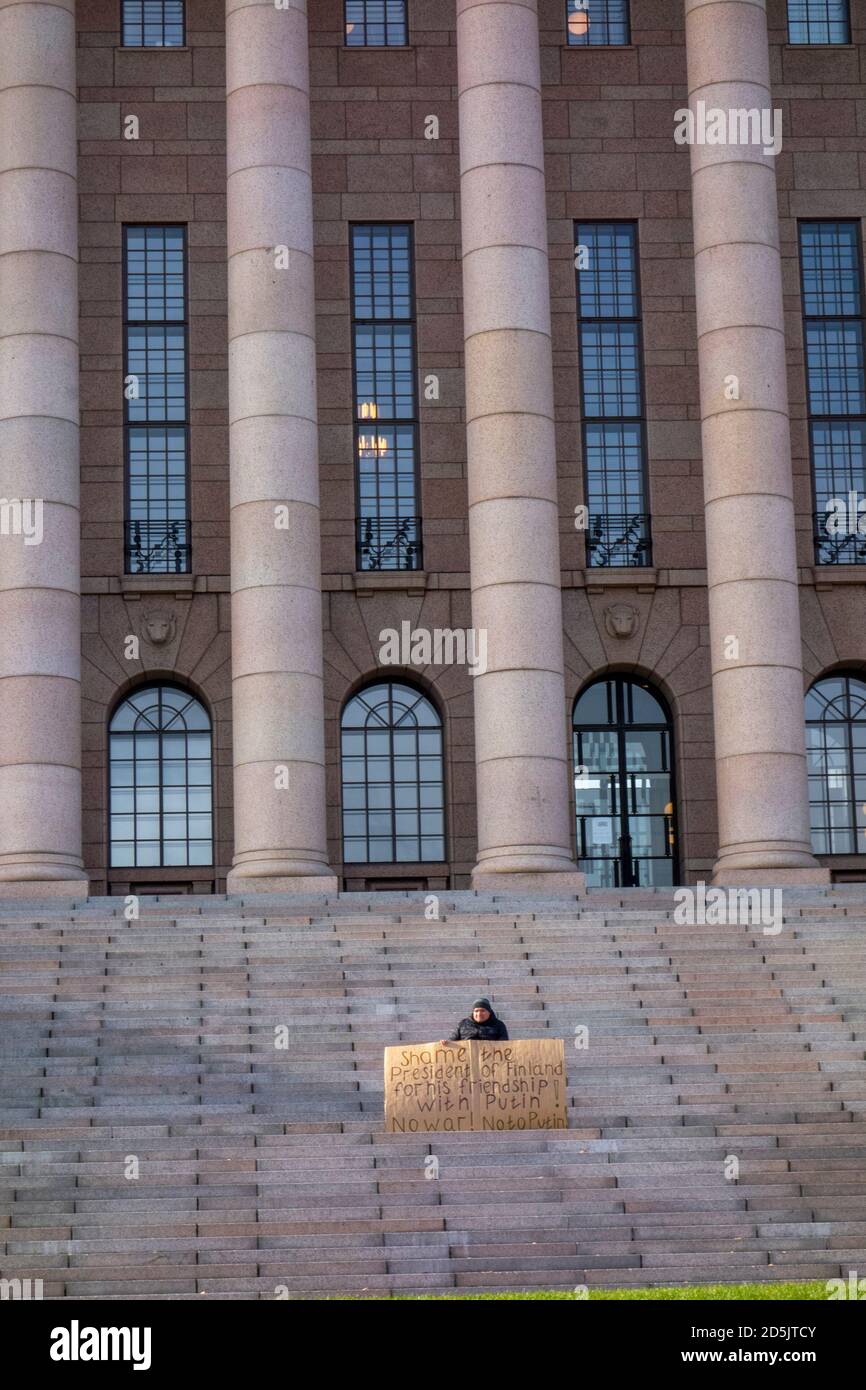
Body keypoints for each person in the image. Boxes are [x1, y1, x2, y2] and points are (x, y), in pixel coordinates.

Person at [439, 997, 508, 1046]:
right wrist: (445, 1043)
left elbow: (505, 1045)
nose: (479, 1014)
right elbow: (452, 1040)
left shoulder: (499, 1025)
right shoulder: (463, 1024)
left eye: (482, 1011)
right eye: (476, 1011)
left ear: (489, 1012)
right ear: (473, 1012)